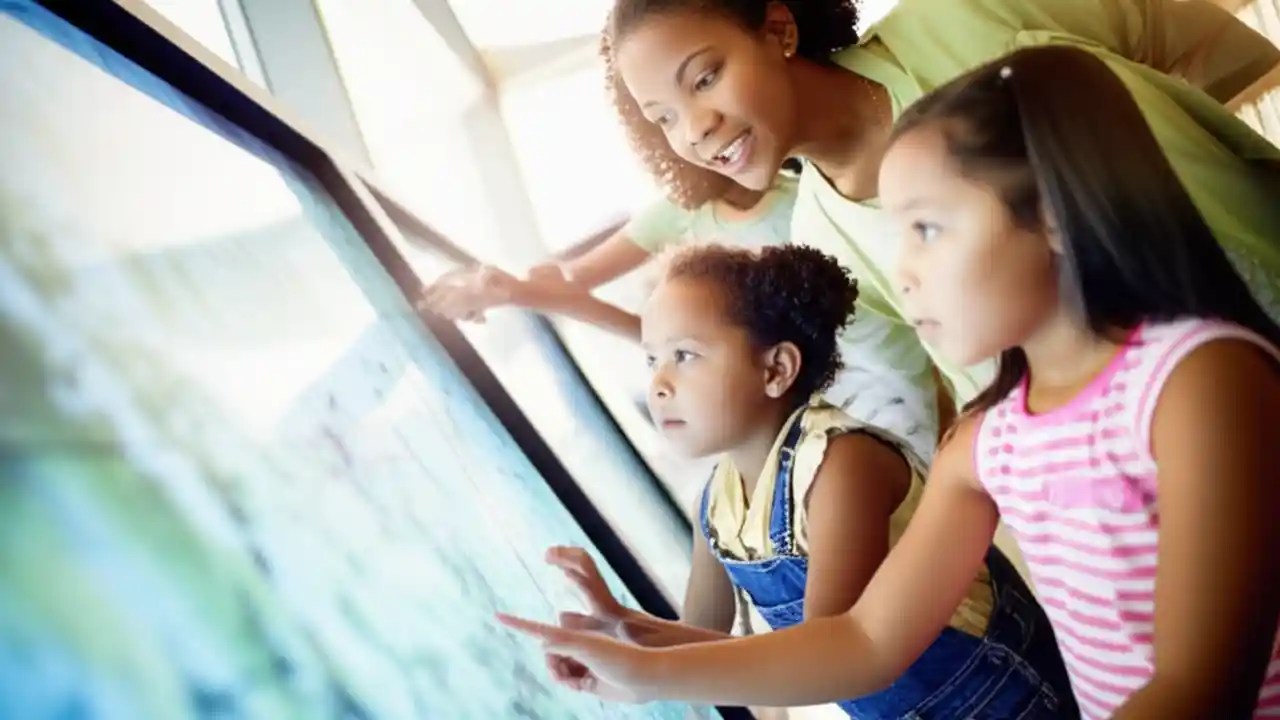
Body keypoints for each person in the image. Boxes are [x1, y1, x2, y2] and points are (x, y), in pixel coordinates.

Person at [496, 46, 1280, 719]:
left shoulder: (1198, 384)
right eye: (895, 232)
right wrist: (644, 659)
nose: (901, 272)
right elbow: (865, 638)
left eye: (928, 229)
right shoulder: (984, 441)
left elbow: (1197, 687)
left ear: (1052, 215)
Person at [602, 0, 1280, 403]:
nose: (695, 128)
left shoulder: (960, 14)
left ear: (778, 28)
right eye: (662, 117)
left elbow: (1199, 42)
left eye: (706, 78)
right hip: (1160, 434)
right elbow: (982, 384)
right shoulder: (822, 234)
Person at [526, 243, 1074, 718]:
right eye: (652, 361)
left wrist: (652, 671)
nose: (661, 383)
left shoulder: (841, 463)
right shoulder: (715, 505)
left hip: (1007, 699)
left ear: (776, 370)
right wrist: (624, 631)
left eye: (685, 355)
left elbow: (833, 648)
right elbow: (710, 641)